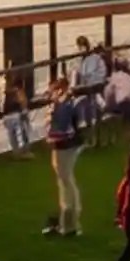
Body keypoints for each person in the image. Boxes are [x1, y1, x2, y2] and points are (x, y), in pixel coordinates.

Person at [44, 79, 84, 237]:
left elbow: (57, 130)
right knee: (66, 181)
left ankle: (69, 223)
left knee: (65, 182)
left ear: (60, 90)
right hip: (69, 145)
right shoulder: (70, 103)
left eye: (52, 90)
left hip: (64, 146)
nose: (50, 94)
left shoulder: (62, 106)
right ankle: (69, 221)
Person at [103, 59, 130, 147]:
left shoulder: (114, 77)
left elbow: (109, 92)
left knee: (127, 121)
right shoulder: (128, 77)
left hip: (121, 103)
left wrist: (108, 105)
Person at [73, 37, 108, 129]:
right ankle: (91, 116)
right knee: (86, 95)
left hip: (95, 83)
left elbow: (87, 74)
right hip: (97, 83)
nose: (80, 50)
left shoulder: (91, 57)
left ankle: (85, 119)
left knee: (80, 94)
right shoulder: (90, 57)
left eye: (80, 47)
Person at [2, 75, 33, 158]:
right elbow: (22, 101)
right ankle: (23, 152)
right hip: (16, 114)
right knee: (21, 133)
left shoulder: (7, 92)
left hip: (7, 116)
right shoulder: (18, 91)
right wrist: (25, 112)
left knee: (12, 135)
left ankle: (16, 151)